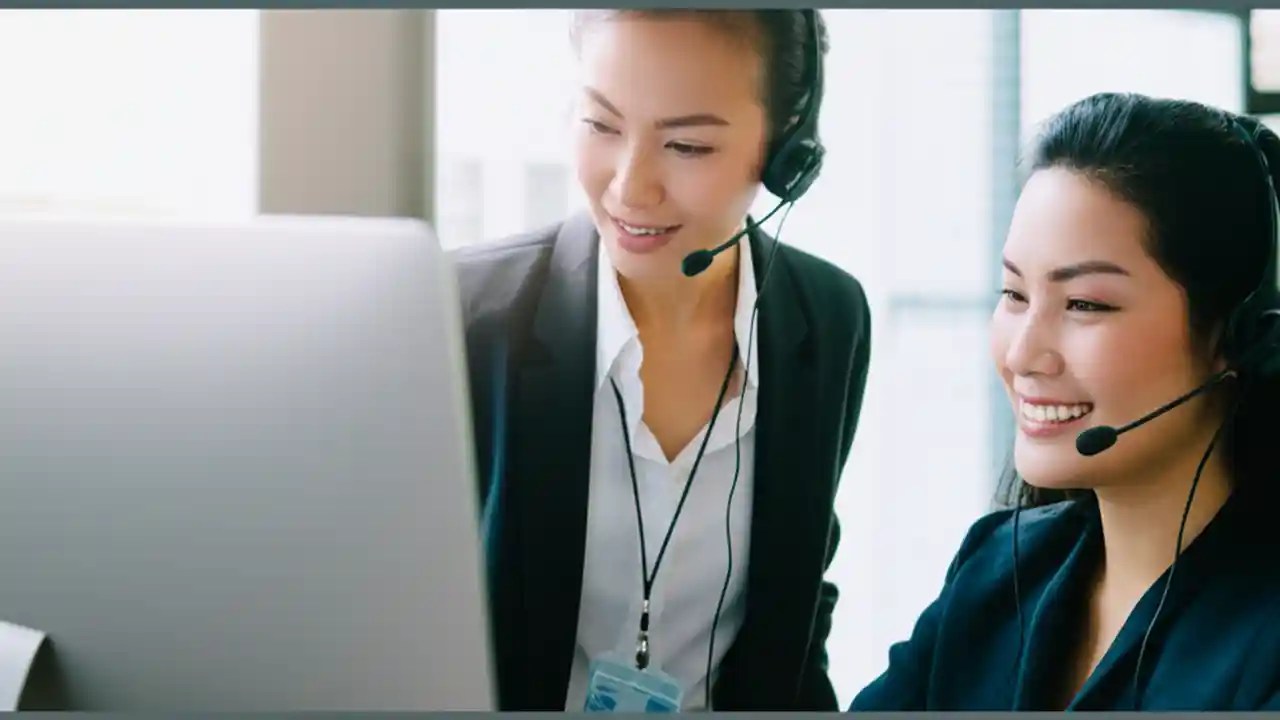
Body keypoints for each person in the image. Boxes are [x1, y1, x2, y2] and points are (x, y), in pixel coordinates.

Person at [451, 9, 872, 712]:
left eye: (686, 145)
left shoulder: (825, 319)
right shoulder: (466, 318)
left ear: (785, 151)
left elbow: (796, 609)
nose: (629, 185)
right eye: (602, 126)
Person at [850, 92, 1280, 711]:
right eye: (1014, 293)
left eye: (1085, 304)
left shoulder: (1264, 635)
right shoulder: (996, 571)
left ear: (1238, 338)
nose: (1024, 353)